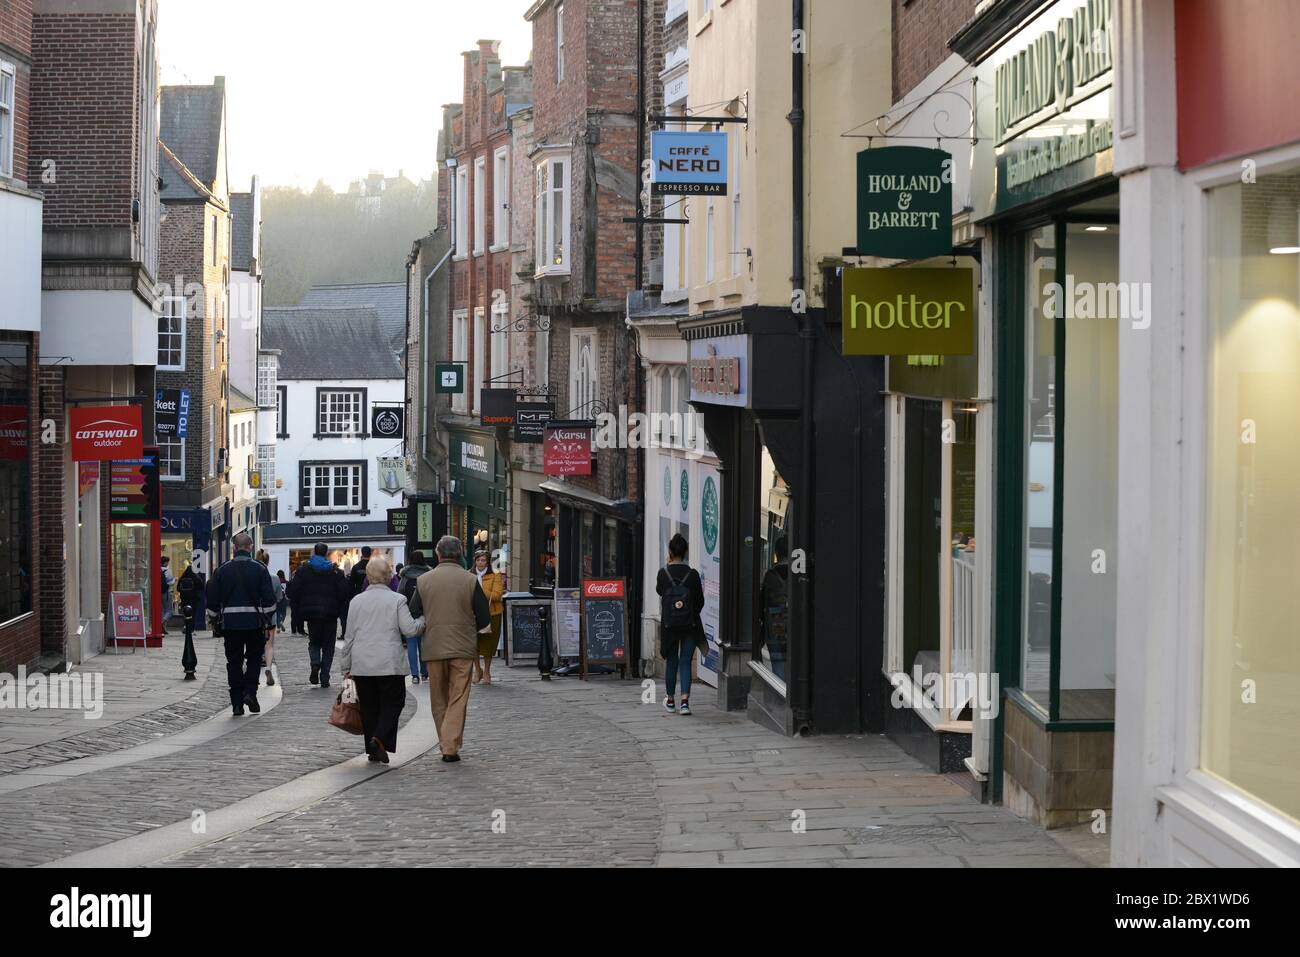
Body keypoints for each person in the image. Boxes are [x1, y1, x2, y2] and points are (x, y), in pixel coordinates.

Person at [409, 536, 490, 762]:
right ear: (460, 553)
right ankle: (450, 745)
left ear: (438, 554)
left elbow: (414, 610)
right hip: (463, 646)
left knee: (438, 699)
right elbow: (483, 617)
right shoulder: (470, 580)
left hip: (434, 646)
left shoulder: (424, 580)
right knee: (458, 698)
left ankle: (446, 742)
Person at [340, 555, 425, 763]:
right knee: (394, 702)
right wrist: (423, 619)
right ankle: (378, 740)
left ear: (368, 577)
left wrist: (345, 666)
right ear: (388, 576)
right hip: (389, 663)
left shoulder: (356, 601)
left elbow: (349, 637)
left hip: (362, 663)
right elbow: (409, 629)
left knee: (369, 706)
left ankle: (372, 749)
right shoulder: (397, 600)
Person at [205, 532, 278, 717]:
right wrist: (269, 621)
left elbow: (212, 600)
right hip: (254, 623)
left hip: (231, 625)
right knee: (254, 659)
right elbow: (269, 601)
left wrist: (214, 619)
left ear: (234, 548)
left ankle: (237, 702)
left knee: (234, 662)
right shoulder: (260, 569)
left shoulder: (222, 570)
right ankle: (250, 692)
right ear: (250, 547)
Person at [286, 542, 351, 688]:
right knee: (329, 646)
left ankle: (315, 664)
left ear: (314, 552)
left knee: (314, 642)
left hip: (312, 614)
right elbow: (344, 593)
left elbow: (293, 591)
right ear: (326, 553)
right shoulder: (335, 572)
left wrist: (300, 604)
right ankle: (325, 676)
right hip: (330, 614)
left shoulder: (304, 570)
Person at [655, 533, 707, 716]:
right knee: (685, 662)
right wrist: (688, 614)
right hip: (689, 625)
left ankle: (670, 700)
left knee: (672, 662)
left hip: (669, 626)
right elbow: (700, 602)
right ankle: (685, 702)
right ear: (685, 552)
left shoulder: (663, 574)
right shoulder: (692, 575)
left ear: (670, 551)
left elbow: (660, 591)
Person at [472, 550, 506, 686]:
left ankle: (486, 671)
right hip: (473, 614)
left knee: (488, 644)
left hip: (492, 613)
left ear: (487, 562)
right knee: (473, 644)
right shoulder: (469, 575)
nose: (480, 563)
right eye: (478, 560)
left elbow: (497, 595)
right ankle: (477, 669)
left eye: (483, 560)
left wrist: (479, 590)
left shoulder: (495, 575)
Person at [397, 551, 432, 683]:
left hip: (408, 614)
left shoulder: (405, 576)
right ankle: (425, 672)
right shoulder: (429, 575)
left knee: (411, 644)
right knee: (423, 644)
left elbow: (399, 595)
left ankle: (415, 675)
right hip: (425, 613)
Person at [759, 535, 790, 680]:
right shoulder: (799, 573)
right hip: (795, 627)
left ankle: (781, 697)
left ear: (776, 553)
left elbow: (761, 604)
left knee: (778, 665)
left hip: (774, 629)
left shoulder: (770, 575)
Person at [256, 550, 279, 687]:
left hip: (256, 615)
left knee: (256, 642)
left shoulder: (253, 576)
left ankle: (256, 664)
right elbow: (279, 598)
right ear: (268, 562)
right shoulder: (274, 578)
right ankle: (269, 667)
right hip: (271, 615)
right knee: (269, 644)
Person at [176, 563, 202, 629]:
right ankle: (192, 628)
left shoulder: (182, 578)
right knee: (193, 614)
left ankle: (186, 626)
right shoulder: (196, 577)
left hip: (184, 599)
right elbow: (201, 586)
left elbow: (178, 589)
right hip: (193, 599)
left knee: (185, 613)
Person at [160, 557, 176, 632]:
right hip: (167, 592)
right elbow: (170, 582)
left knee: (163, 610)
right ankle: (162, 622)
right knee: (169, 611)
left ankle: (163, 628)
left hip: (159, 592)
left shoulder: (158, 569)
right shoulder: (167, 571)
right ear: (166, 562)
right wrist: (175, 580)